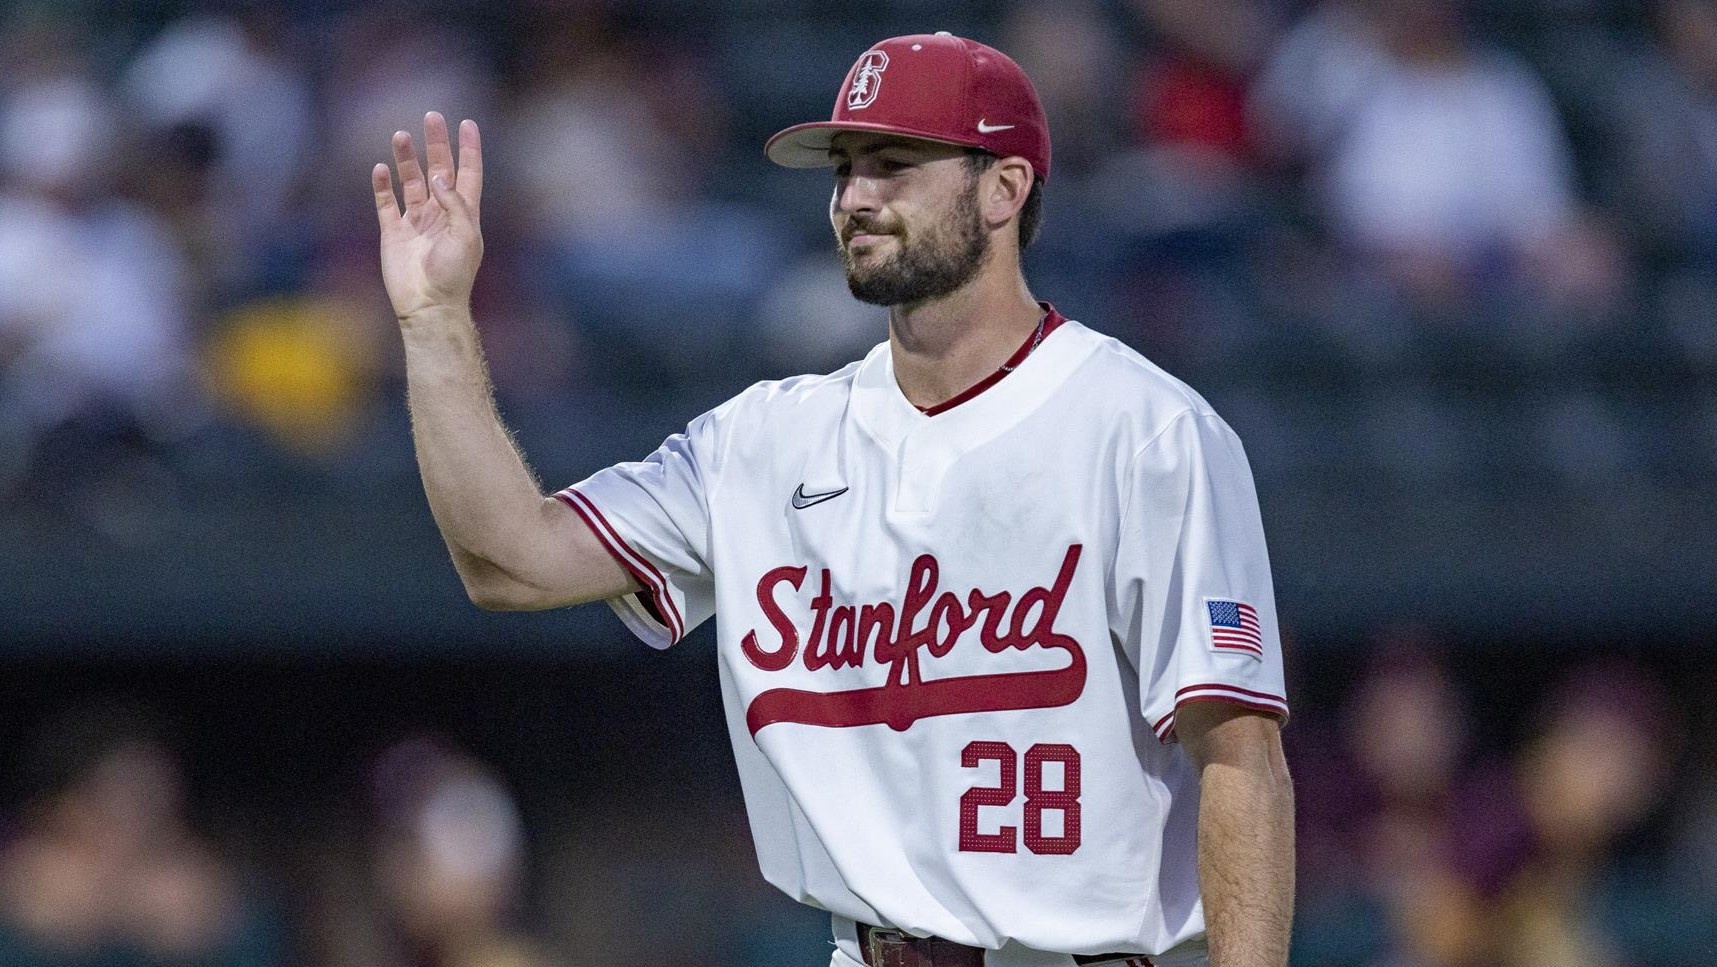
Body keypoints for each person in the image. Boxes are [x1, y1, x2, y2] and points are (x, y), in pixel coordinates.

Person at [372, 32, 1292, 967]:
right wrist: (436, 321)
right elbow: (506, 561)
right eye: (845, 169)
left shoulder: (1144, 430)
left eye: (893, 164)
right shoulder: (761, 443)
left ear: (1005, 188)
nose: (855, 197)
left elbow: (1241, 761)